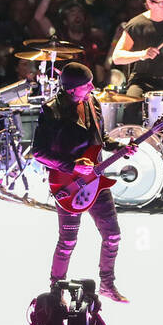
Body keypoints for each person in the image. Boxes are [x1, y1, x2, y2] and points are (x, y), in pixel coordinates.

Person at [31, 62, 134, 303]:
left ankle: (107, 285)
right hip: (67, 183)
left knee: (113, 236)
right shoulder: (51, 110)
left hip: (96, 181)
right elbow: (38, 152)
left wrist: (121, 147)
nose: (91, 87)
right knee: (67, 241)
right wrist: (71, 165)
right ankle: (56, 292)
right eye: (86, 84)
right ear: (70, 89)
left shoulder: (92, 102)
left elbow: (101, 139)